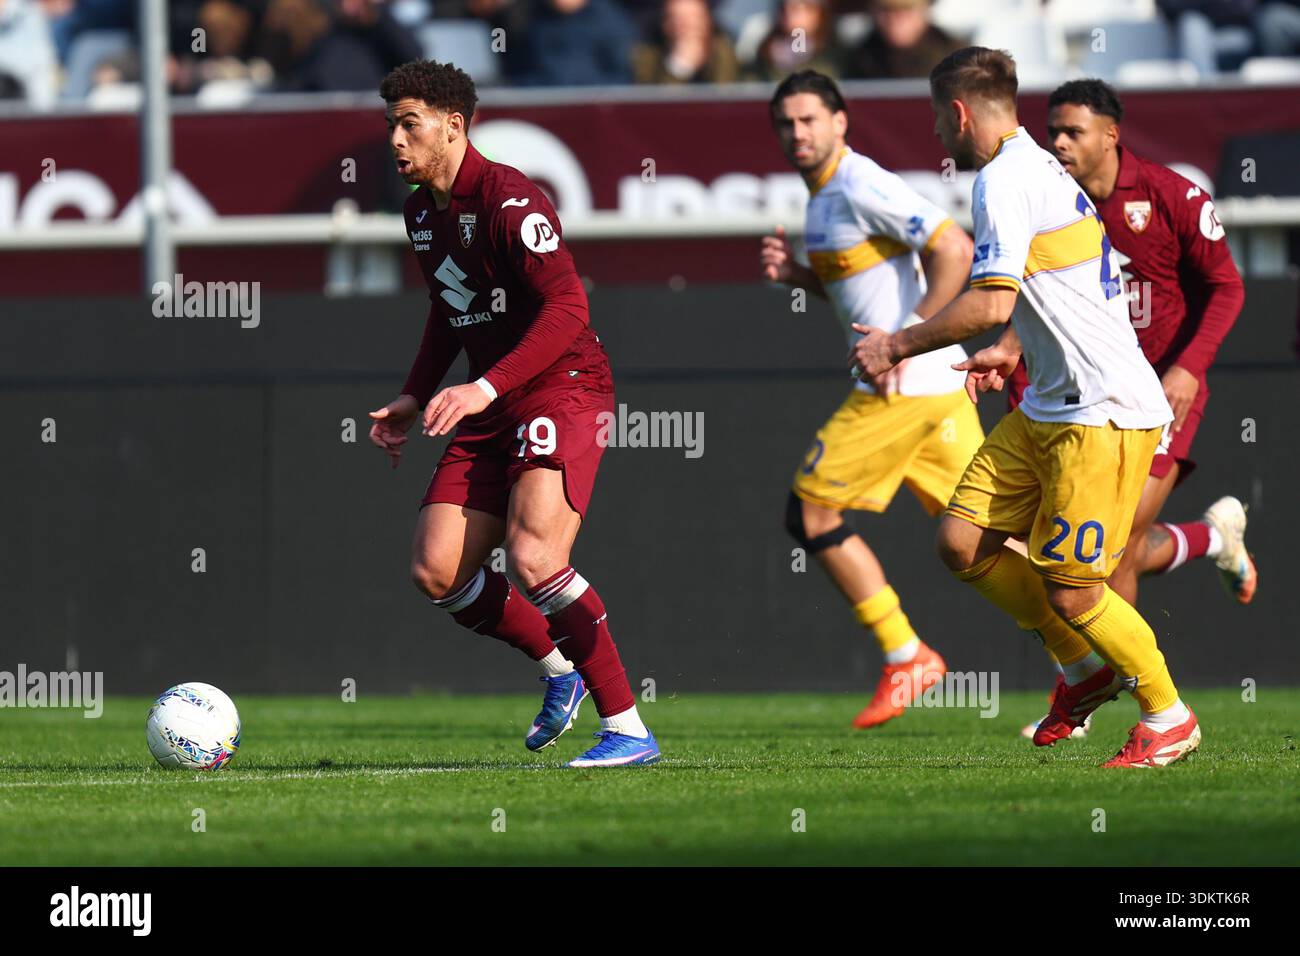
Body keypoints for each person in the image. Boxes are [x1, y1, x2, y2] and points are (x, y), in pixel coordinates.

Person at [853, 47, 1200, 768]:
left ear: (957, 113)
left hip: (1098, 412)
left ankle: (1169, 715)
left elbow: (988, 299)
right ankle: (1084, 669)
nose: (935, 131)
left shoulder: (1006, 179)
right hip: (1048, 403)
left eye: (934, 116)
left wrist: (897, 345)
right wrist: (1014, 348)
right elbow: (1054, 283)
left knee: (1074, 592)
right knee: (961, 539)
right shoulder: (1039, 165)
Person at [369, 59, 659, 767]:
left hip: (564, 386)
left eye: (409, 125)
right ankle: (560, 671)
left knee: (534, 557)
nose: (396, 141)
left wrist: (481, 389)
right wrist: (415, 393)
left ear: (454, 125)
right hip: (494, 396)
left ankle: (628, 728)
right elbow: (450, 310)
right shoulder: (420, 213)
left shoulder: (510, 201)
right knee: (437, 570)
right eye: (391, 127)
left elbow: (568, 308)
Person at [762, 70, 979, 729]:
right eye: (786, 123)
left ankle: (906, 653)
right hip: (933, 386)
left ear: (840, 122)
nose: (797, 132)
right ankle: (1088, 660)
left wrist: (903, 340)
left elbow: (954, 249)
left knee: (812, 515)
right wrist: (800, 276)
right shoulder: (822, 197)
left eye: (809, 119)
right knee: (991, 542)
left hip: (902, 387)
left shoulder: (859, 182)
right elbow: (866, 290)